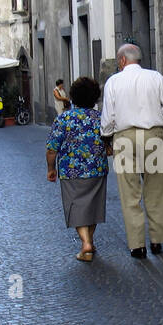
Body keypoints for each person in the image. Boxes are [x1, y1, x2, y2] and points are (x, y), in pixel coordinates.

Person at [100, 43, 163, 258]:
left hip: (124, 138)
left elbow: (107, 120)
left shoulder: (113, 81)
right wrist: (160, 133)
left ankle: (137, 245)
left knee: (129, 194)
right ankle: (157, 241)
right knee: (157, 191)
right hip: (154, 135)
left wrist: (108, 141)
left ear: (122, 60)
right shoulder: (156, 77)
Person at [47, 76, 107, 261]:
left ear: (73, 97)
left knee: (75, 206)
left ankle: (86, 244)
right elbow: (110, 145)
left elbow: (52, 148)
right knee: (93, 207)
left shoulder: (64, 119)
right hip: (96, 169)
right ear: (94, 97)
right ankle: (90, 241)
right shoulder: (99, 118)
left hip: (71, 171)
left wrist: (51, 168)